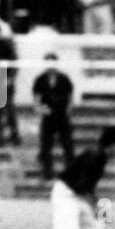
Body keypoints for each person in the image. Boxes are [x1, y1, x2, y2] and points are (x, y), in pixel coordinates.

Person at [34, 53, 74, 182]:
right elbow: (36, 97)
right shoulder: (40, 79)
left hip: (62, 114)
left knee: (67, 144)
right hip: (48, 115)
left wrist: (68, 109)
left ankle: (70, 171)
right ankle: (47, 171)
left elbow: (70, 95)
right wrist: (40, 109)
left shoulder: (64, 78)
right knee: (46, 145)